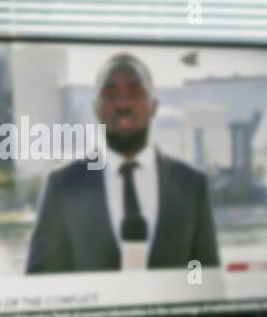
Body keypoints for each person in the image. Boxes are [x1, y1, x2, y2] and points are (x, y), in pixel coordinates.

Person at [25, 53, 220, 273]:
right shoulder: (63, 185)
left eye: (135, 92)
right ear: (96, 109)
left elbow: (204, 274)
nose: (123, 104)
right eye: (110, 94)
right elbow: (41, 281)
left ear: (153, 106)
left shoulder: (191, 185)